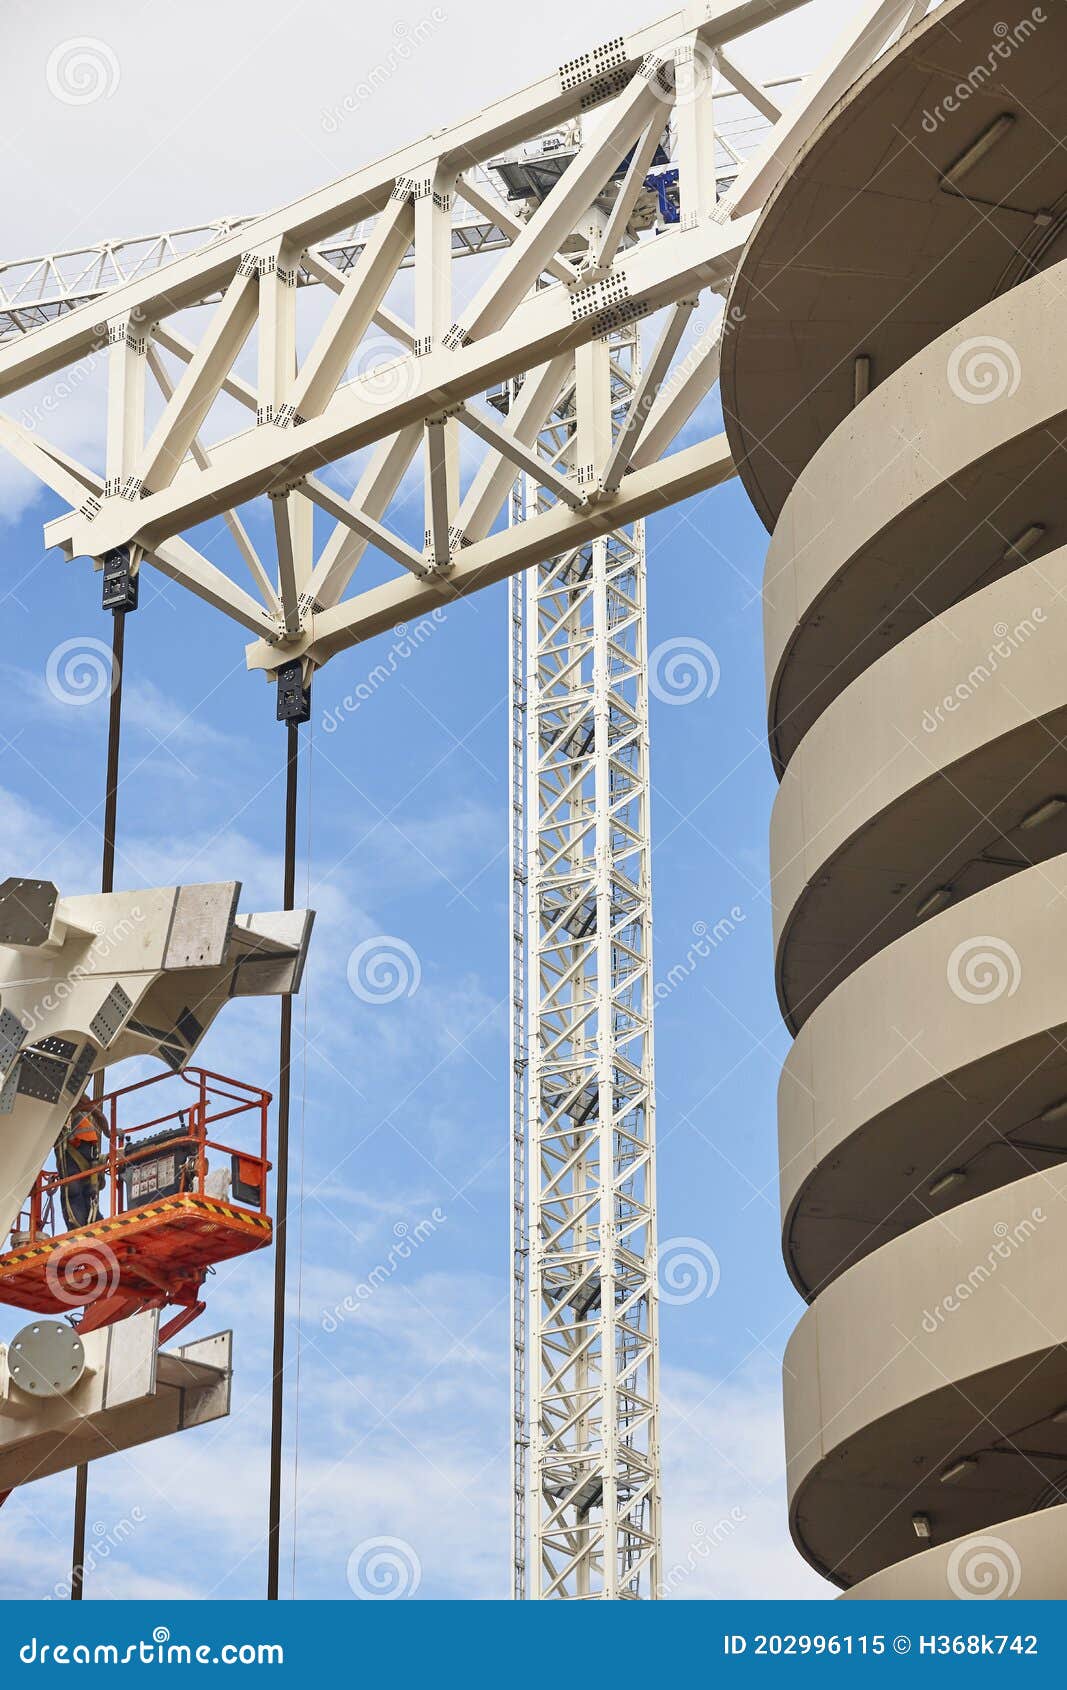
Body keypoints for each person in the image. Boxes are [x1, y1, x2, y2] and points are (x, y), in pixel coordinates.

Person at [55, 1099, 106, 1231]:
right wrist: (110, 1132)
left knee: (72, 1191)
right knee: (89, 1191)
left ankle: (77, 1229)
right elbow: (98, 1114)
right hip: (89, 1149)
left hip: (73, 1146)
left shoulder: (69, 1100)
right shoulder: (81, 1100)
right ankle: (96, 1223)